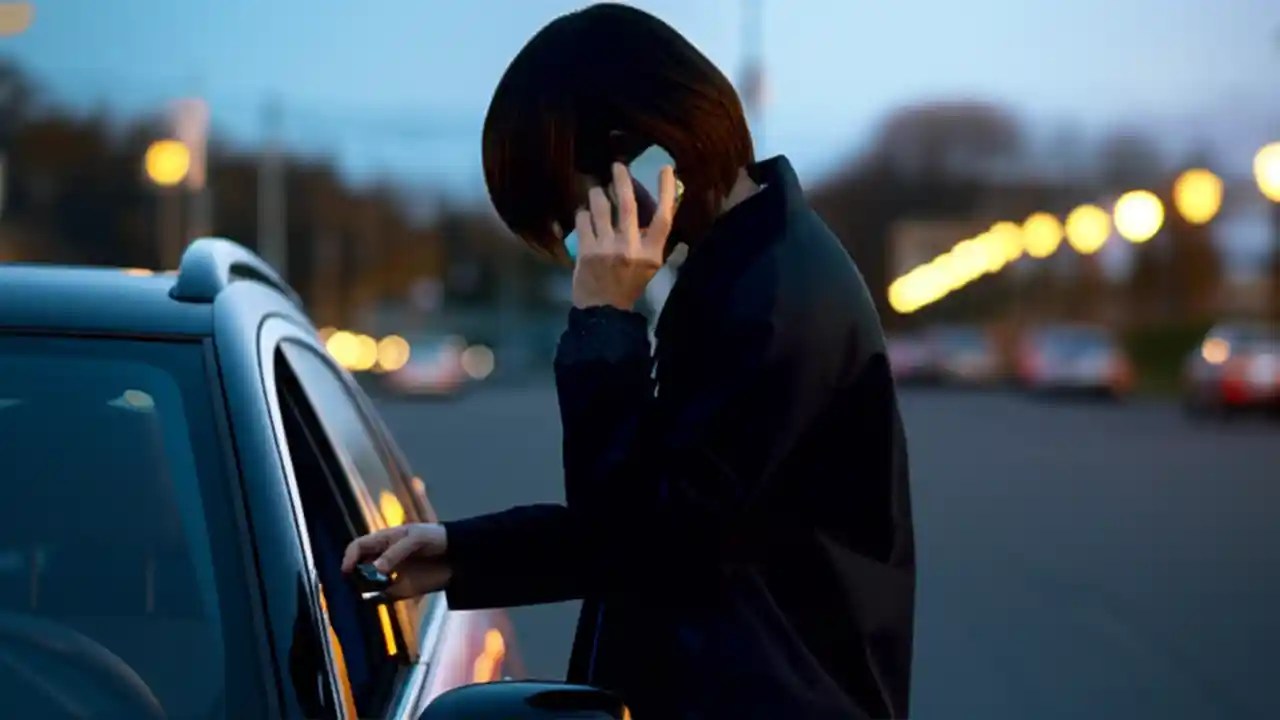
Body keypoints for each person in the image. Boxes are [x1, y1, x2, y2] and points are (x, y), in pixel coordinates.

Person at [342, 4, 915, 717]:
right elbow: (661, 516)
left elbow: (641, 537)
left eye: (566, 208)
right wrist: (462, 553)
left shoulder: (766, 296)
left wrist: (605, 322)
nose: (571, 236)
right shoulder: (749, 265)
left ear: (642, 156)